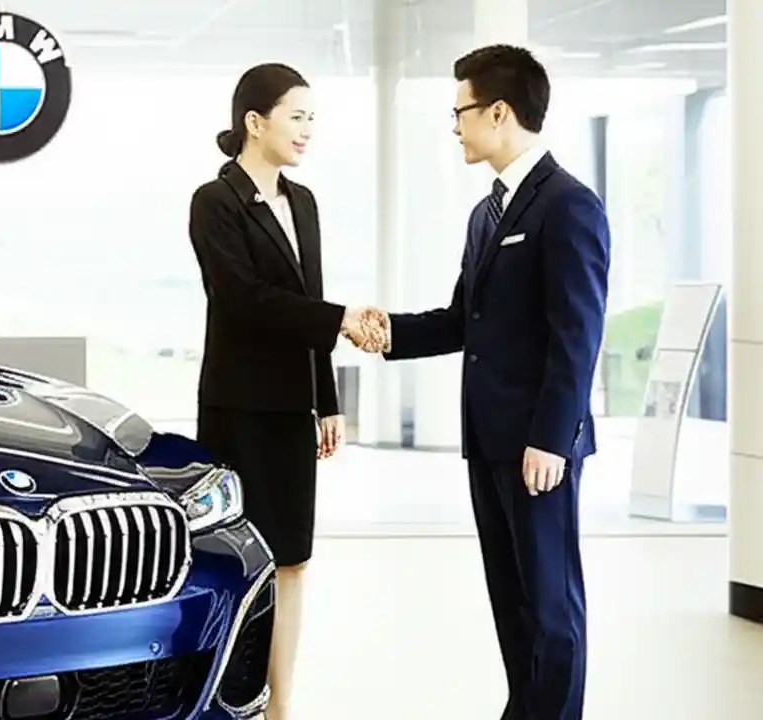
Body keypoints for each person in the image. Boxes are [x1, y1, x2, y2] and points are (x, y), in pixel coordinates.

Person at [347, 45, 609, 719]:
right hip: (489, 440)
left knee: (552, 606)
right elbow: (466, 318)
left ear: (499, 111)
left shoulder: (568, 205)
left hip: (537, 448)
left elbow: (577, 336)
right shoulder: (487, 213)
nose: (455, 127)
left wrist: (551, 439)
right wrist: (390, 333)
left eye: (459, 112)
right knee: (512, 602)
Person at [186, 62, 384, 720]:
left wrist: (326, 399)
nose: (307, 131)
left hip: (292, 408)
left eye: (312, 119)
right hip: (239, 406)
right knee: (244, 564)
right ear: (255, 122)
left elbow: (307, 298)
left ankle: (282, 706)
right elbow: (244, 300)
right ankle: (232, 696)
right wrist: (338, 320)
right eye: (297, 116)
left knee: (293, 562)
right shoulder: (215, 202)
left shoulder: (303, 202)